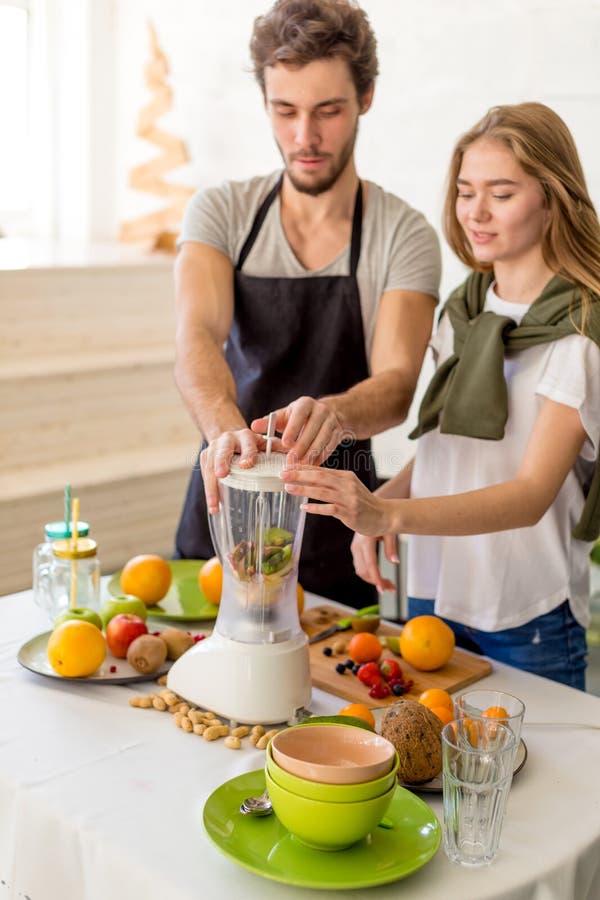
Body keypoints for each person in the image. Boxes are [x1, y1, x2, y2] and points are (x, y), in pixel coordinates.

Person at [281, 102, 600, 688]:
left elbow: (530, 495)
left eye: (501, 194)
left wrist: (387, 510)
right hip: (433, 596)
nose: (476, 213)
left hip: (525, 611)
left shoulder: (581, 333)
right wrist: (373, 517)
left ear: (553, 199)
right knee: (430, 769)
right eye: (464, 191)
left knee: (549, 780)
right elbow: (444, 454)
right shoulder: (464, 309)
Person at [173, 0, 441, 605]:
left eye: (329, 111)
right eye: (285, 110)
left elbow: (398, 383)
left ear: (365, 97)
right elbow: (195, 337)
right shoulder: (222, 213)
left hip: (337, 523)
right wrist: (225, 434)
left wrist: (337, 415)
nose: (305, 137)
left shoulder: (404, 234)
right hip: (226, 496)